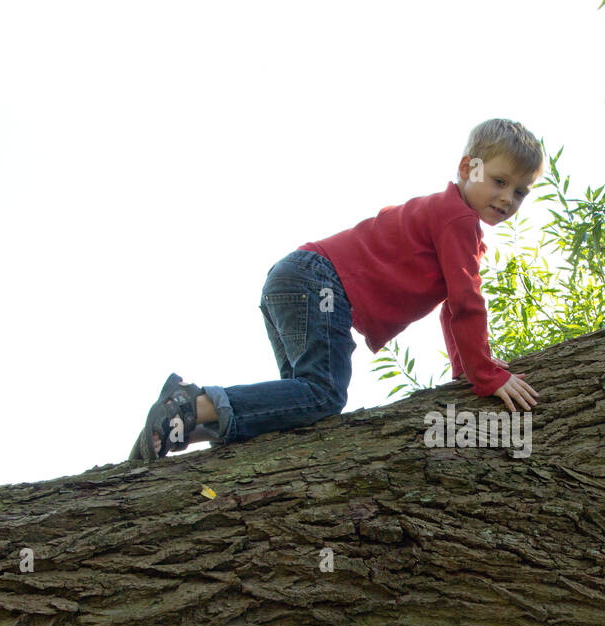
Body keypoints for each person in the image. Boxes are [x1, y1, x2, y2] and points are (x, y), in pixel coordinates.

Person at [130, 118, 544, 462]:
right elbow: (467, 303)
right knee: (323, 393)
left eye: (520, 192)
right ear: (468, 167)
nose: (508, 198)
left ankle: (181, 428)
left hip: (296, 277)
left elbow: (451, 310)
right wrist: (486, 376)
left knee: (300, 409)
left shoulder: (443, 213)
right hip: (319, 282)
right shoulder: (457, 219)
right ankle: (187, 405)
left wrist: (464, 373)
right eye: (499, 180)